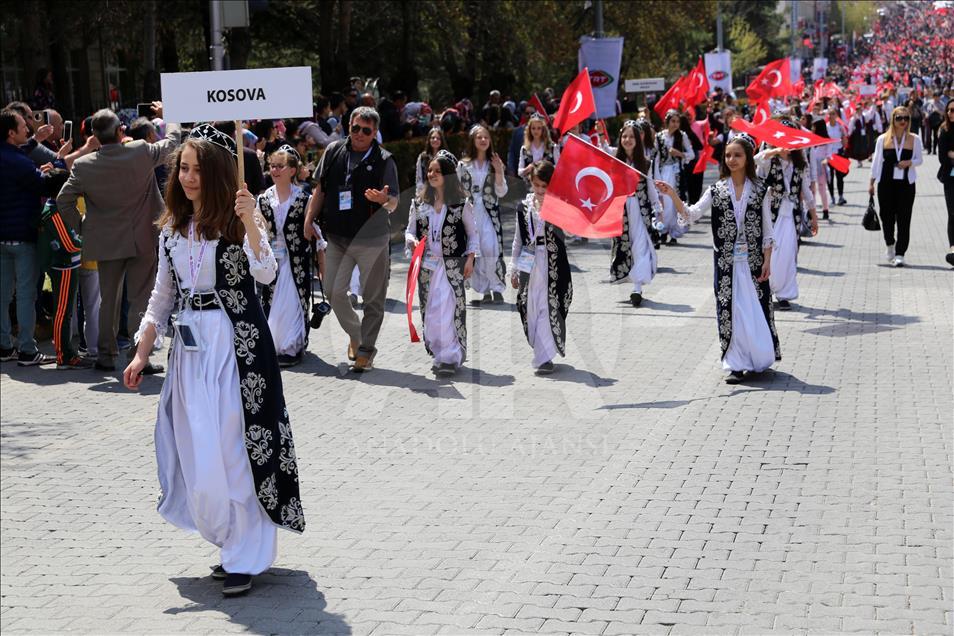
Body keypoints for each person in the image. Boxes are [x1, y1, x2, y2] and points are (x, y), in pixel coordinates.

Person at [123, 124, 304, 597]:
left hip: (234, 348)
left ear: (219, 173)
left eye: (198, 170)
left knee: (234, 449)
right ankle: (228, 541)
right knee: (199, 453)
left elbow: (266, 272)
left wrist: (250, 222)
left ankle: (245, 554)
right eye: (183, 168)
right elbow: (161, 298)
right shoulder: (171, 231)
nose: (187, 177)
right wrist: (142, 354)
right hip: (189, 352)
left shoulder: (239, 220)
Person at [57, 103, 180, 373]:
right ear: (121, 130)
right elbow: (172, 144)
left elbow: (63, 200)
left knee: (107, 300)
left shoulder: (84, 165)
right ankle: (139, 357)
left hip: (106, 240)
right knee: (141, 298)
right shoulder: (139, 151)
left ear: (94, 135)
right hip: (142, 238)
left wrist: (83, 226)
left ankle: (106, 356)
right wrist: (169, 115)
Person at [656, 133, 781, 385]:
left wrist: (768, 261)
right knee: (731, 310)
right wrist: (672, 195)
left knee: (754, 309)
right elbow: (691, 215)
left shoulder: (760, 190)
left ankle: (757, 358)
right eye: (728, 155)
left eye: (737, 155)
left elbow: (768, 229)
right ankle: (736, 363)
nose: (732, 159)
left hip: (753, 261)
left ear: (748, 158)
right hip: (726, 263)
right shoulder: (716, 190)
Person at [303, 106, 400, 372]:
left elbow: (394, 203)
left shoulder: (384, 160)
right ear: (349, 126)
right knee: (333, 291)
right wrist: (308, 218)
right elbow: (320, 188)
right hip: (337, 237)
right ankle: (357, 335)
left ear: (374, 133)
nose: (358, 134)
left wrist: (384, 200)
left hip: (372, 240)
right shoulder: (334, 151)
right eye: (355, 128)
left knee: (372, 299)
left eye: (365, 130)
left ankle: (365, 352)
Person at [405, 150, 478, 377]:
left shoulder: (460, 205)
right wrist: (412, 241)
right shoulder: (419, 204)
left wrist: (470, 258)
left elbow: (473, 234)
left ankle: (450, 356)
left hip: (452, 267)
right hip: (427, 268)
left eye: (437, 171)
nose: (432, 174)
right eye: (430, 171)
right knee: (432, 312)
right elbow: (409, 231)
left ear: (448, 175)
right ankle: (439, 353)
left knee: (449, 310)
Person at [0, 109, 58, 365]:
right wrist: (46, 172)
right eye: (24, 126)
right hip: (23, 237)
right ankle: (26, 349)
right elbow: (43, 185)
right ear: (11, 133)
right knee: (26, 294)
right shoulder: (19, 161)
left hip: (2, 239)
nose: (28, 129)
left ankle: (3, 346)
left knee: (3, 295)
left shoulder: (13, 157)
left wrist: (38, 171)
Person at [509, 161, 572, 375]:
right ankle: (541, 348)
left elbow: (571, 233)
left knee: (548, 306)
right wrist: (514, 269)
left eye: (544, 186)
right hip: (529, 264)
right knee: (531, 308)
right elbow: (518, 240)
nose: (540, 190)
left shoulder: (559, 206)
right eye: (536, 185)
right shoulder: (523, 207)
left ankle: (544, 357)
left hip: (553, 265)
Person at [257, 145, 316, 367]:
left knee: (292, 301)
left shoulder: (303, 198)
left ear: (292, 170)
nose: (275, 170)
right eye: (272, 166)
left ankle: (293, 345)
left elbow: (312, 231)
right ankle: (274, 344)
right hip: (273, 261)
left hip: (296, 260)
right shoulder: (263, 200)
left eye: (280, 166)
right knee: (272, 302)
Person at [754, 118, 819, 310]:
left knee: (788, 254)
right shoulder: (769, 159)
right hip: (770, 213)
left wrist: (814, 216)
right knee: (769, 252)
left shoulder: (799, 162)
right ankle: (765, 289)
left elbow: (806, 190)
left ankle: (784, 294)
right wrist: (775, 150)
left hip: (791, 215)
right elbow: (755, 161)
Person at [610, 121, 660, 307]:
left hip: (640, 210)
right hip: (621, 212)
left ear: (638, 140)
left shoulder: (646, 163)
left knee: (640, 245)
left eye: (631, 137)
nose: (628, 140)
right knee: (625, 245)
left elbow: (651, 187)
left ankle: (637, 288)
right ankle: (632, 280)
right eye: (624, 136)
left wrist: (657, 208)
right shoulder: (614, 162)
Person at [457, 124, 508, 305]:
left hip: (489, 213)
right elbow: (457, 190)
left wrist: (499, 171)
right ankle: (484, 291)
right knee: (475, 250)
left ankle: (497, 287)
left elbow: (502, 192)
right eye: (479, 137)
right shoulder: (463, 165)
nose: (483, 140)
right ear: (473, 140)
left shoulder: (494, 163)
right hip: (470, 213)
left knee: (490, 248)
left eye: (486, 137)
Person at [869, 106, 924, 267]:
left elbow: (919, 160)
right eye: (899, 118)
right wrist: (871, 182)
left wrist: (910, 162)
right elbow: (876, 162)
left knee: (904, 218)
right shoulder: (883, 139)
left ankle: (900, 253)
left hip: (906, 184)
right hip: (886, 183)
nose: (903, 121)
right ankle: (890, 244)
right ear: (893, 119)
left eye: (906, 118)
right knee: (886, 216)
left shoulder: (914, 139)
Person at [654, 110, 695, 244]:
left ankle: (675, 233)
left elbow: (691, 154)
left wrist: (680, 154)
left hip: (676, 173)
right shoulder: (659, 137)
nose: (675, 124)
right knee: (663, 202)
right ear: (667, 122)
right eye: (673, 121)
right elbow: (656, 156)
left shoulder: (681, 136)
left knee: (674, 201)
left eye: (678, 121)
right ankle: (662, 230)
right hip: (662, 171)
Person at [517, 114, 559, 183]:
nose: (536, 131)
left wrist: (545, 167)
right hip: (530, 186)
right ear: (529, 130)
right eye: (533, 128)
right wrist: (528, 169)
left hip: (548, 185)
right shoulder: (524, 149)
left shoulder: (552, 147)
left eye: (539, 128)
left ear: (543, 130)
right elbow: (519, 172)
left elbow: (559, 167)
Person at [938, 100, 954, 267]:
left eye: (953, 110)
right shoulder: (944, 130)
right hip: (950, 178)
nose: (950, 113)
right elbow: (942, 157)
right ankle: (953, 248)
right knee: (953, 213)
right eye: (948, 110)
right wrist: (949, 156)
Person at [415, 128, 446, 195]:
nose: (435, 140)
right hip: (426, 193)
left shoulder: (445, 158)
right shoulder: (423, 157)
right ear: (429, 140)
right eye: (433, 138)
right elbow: (419, 178)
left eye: (438, 138)